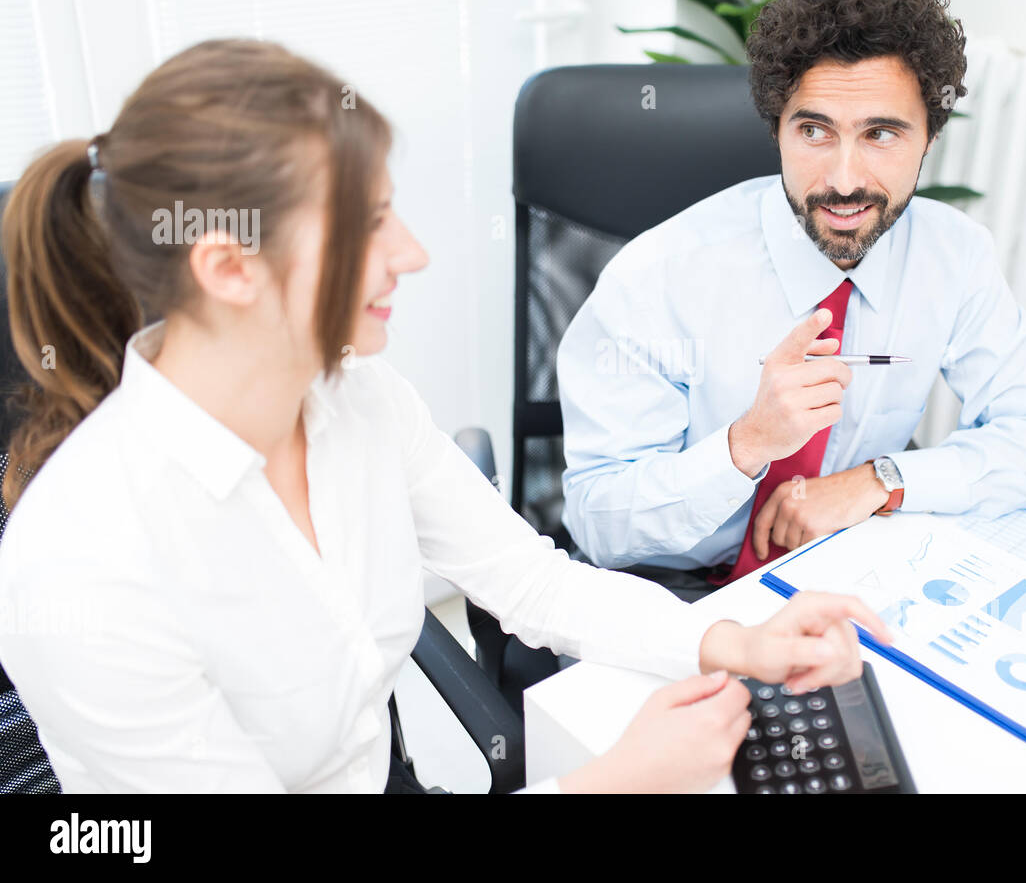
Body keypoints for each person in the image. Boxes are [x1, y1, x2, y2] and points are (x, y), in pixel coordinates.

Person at [0, 39, 889, 794]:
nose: (412, 254)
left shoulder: (356, 396)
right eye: (369, 223)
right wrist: (608, 782)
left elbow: (531, 583)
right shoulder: (83, 567)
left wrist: (735, 638)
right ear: (230, 268)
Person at [558, 0, 1026, 601]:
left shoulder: (953, 257)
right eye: (814, 130)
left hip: (843, 564)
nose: (844, 180)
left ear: (928, 138)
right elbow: (597, 520)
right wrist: (747, 442)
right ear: (776, 129)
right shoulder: (657, 277)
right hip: (671, 589)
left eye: (882, 134)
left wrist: (878, 479)